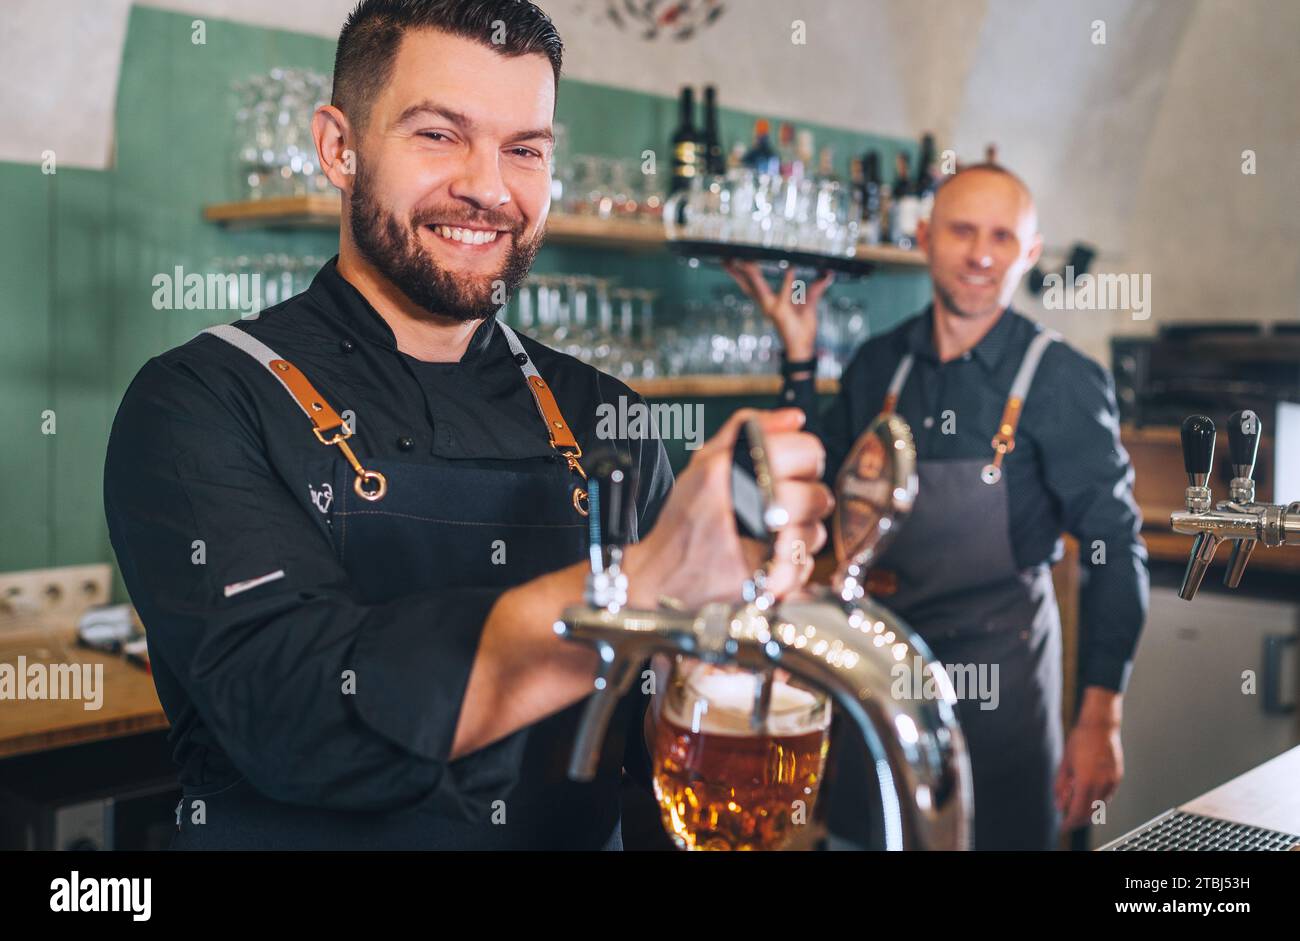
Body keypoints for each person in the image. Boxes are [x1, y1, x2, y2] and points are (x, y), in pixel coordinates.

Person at [103, 0, 831, 850]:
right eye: (440, 135)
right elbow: (295, 713)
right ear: (339, 147)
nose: (488, 188)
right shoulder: (201, 399)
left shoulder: (610, 418)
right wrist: (632, 587)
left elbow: (655, 743)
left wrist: (731, 644)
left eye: (524, 149)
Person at [725, 163, 1149, 850]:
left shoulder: (1063, 380)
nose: (981, 253)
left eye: (1003, 237)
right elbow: (811, 489)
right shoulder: (877, 365)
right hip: (881, 688)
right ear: (924, 236)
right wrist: (799, 360)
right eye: (961, 230)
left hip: (1003, 700)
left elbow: (1115, 547)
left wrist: (1100, 717)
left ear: (1030, 253)